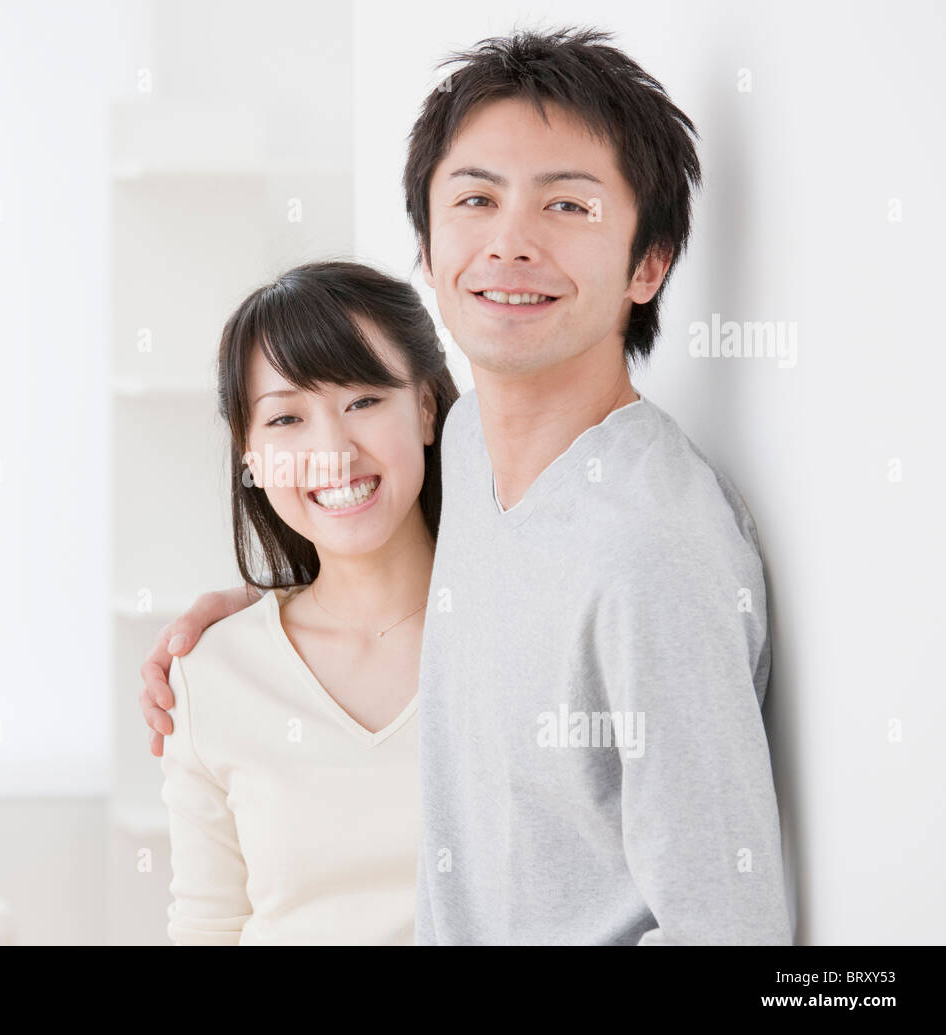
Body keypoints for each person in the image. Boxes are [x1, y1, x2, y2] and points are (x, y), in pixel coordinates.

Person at [141, 26, 793, 945]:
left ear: (648, 264)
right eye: (476, 198)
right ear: (426, 247)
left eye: (568, 205)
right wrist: (263, 610)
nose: (510, 243)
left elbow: (729, 930)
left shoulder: (654, 551)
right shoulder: (471, 440)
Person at [158, 260, 459, 944]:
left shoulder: (525, 630)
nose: (331, 451)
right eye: (287, 417)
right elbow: (208, 927)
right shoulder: (210, 673)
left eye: (363, 401)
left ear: (425, 408)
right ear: (251, 455)